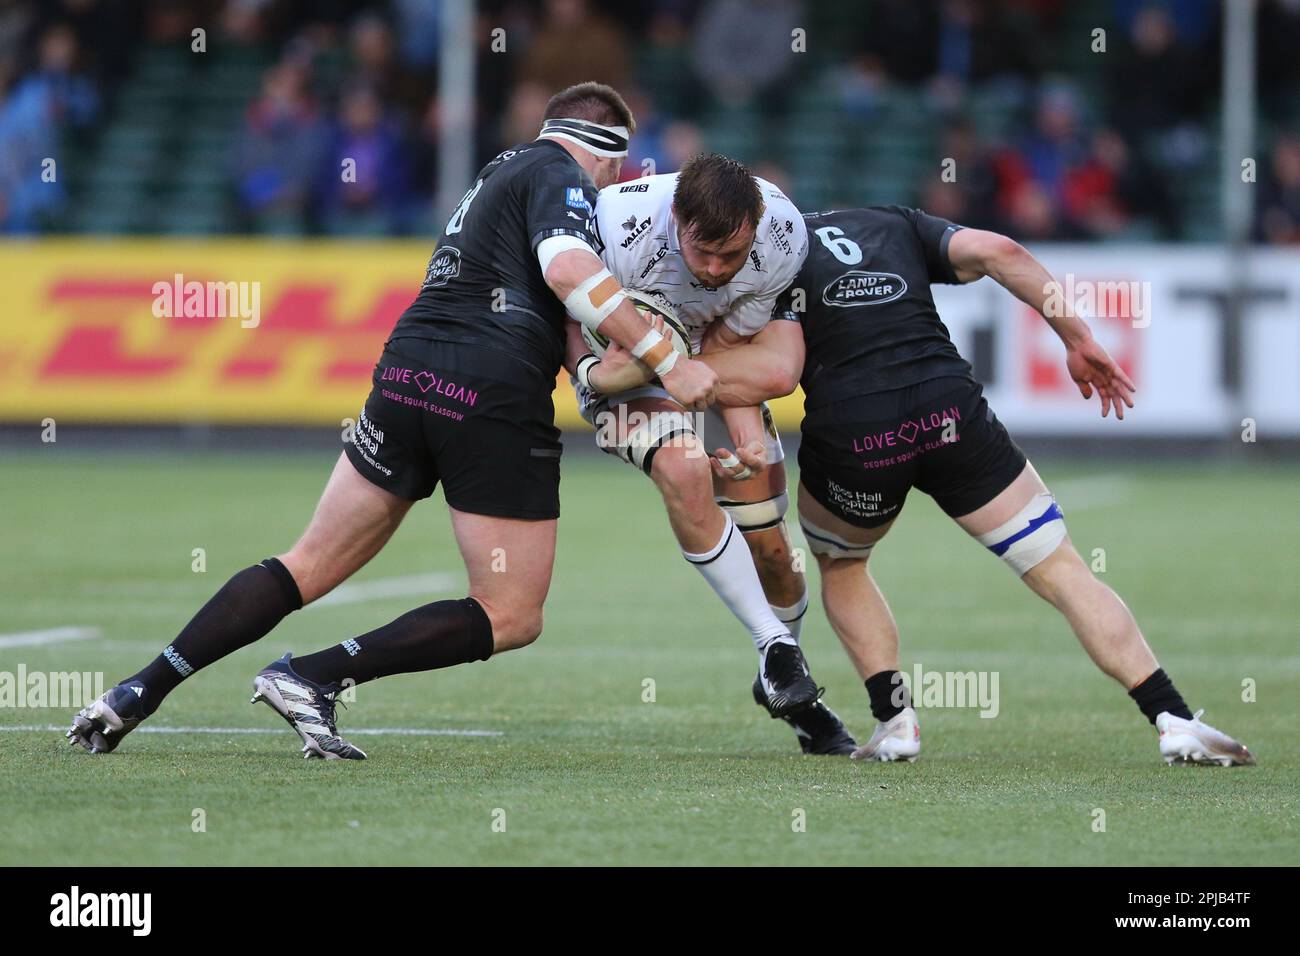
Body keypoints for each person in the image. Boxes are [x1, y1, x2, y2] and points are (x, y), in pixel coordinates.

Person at [66, 81, 718, 760]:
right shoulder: (560, 174)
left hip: (407, 368)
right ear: (608, 157)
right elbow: (568, 269)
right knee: (511, 613)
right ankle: (311, 675)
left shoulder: (500, 170)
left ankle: (135, 690)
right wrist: (667, 358)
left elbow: (550, 307)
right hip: (488, 387)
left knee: (306, 563)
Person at [736, 205, 1254, 765]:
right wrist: (1077, 338)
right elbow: (1002, 253)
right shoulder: (891, 221)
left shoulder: (760, 254)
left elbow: (771, 368)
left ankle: (895, 720)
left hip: (857, 430)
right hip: (948, 411)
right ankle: (1171, 716)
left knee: (843, 563)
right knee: (1060, 566)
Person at [565, 155, 857, 755]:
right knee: (684, 464)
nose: (718, 268)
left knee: (774, 552)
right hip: (624, 367)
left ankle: (781, 675)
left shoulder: (781, 235)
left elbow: (727, 342)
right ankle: (774, 644)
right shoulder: (617, 221)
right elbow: (561, 308)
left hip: (703, 366)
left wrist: (746, 436)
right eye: (704, 253)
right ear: (675, 219)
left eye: (733, 255)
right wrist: (597, 373)